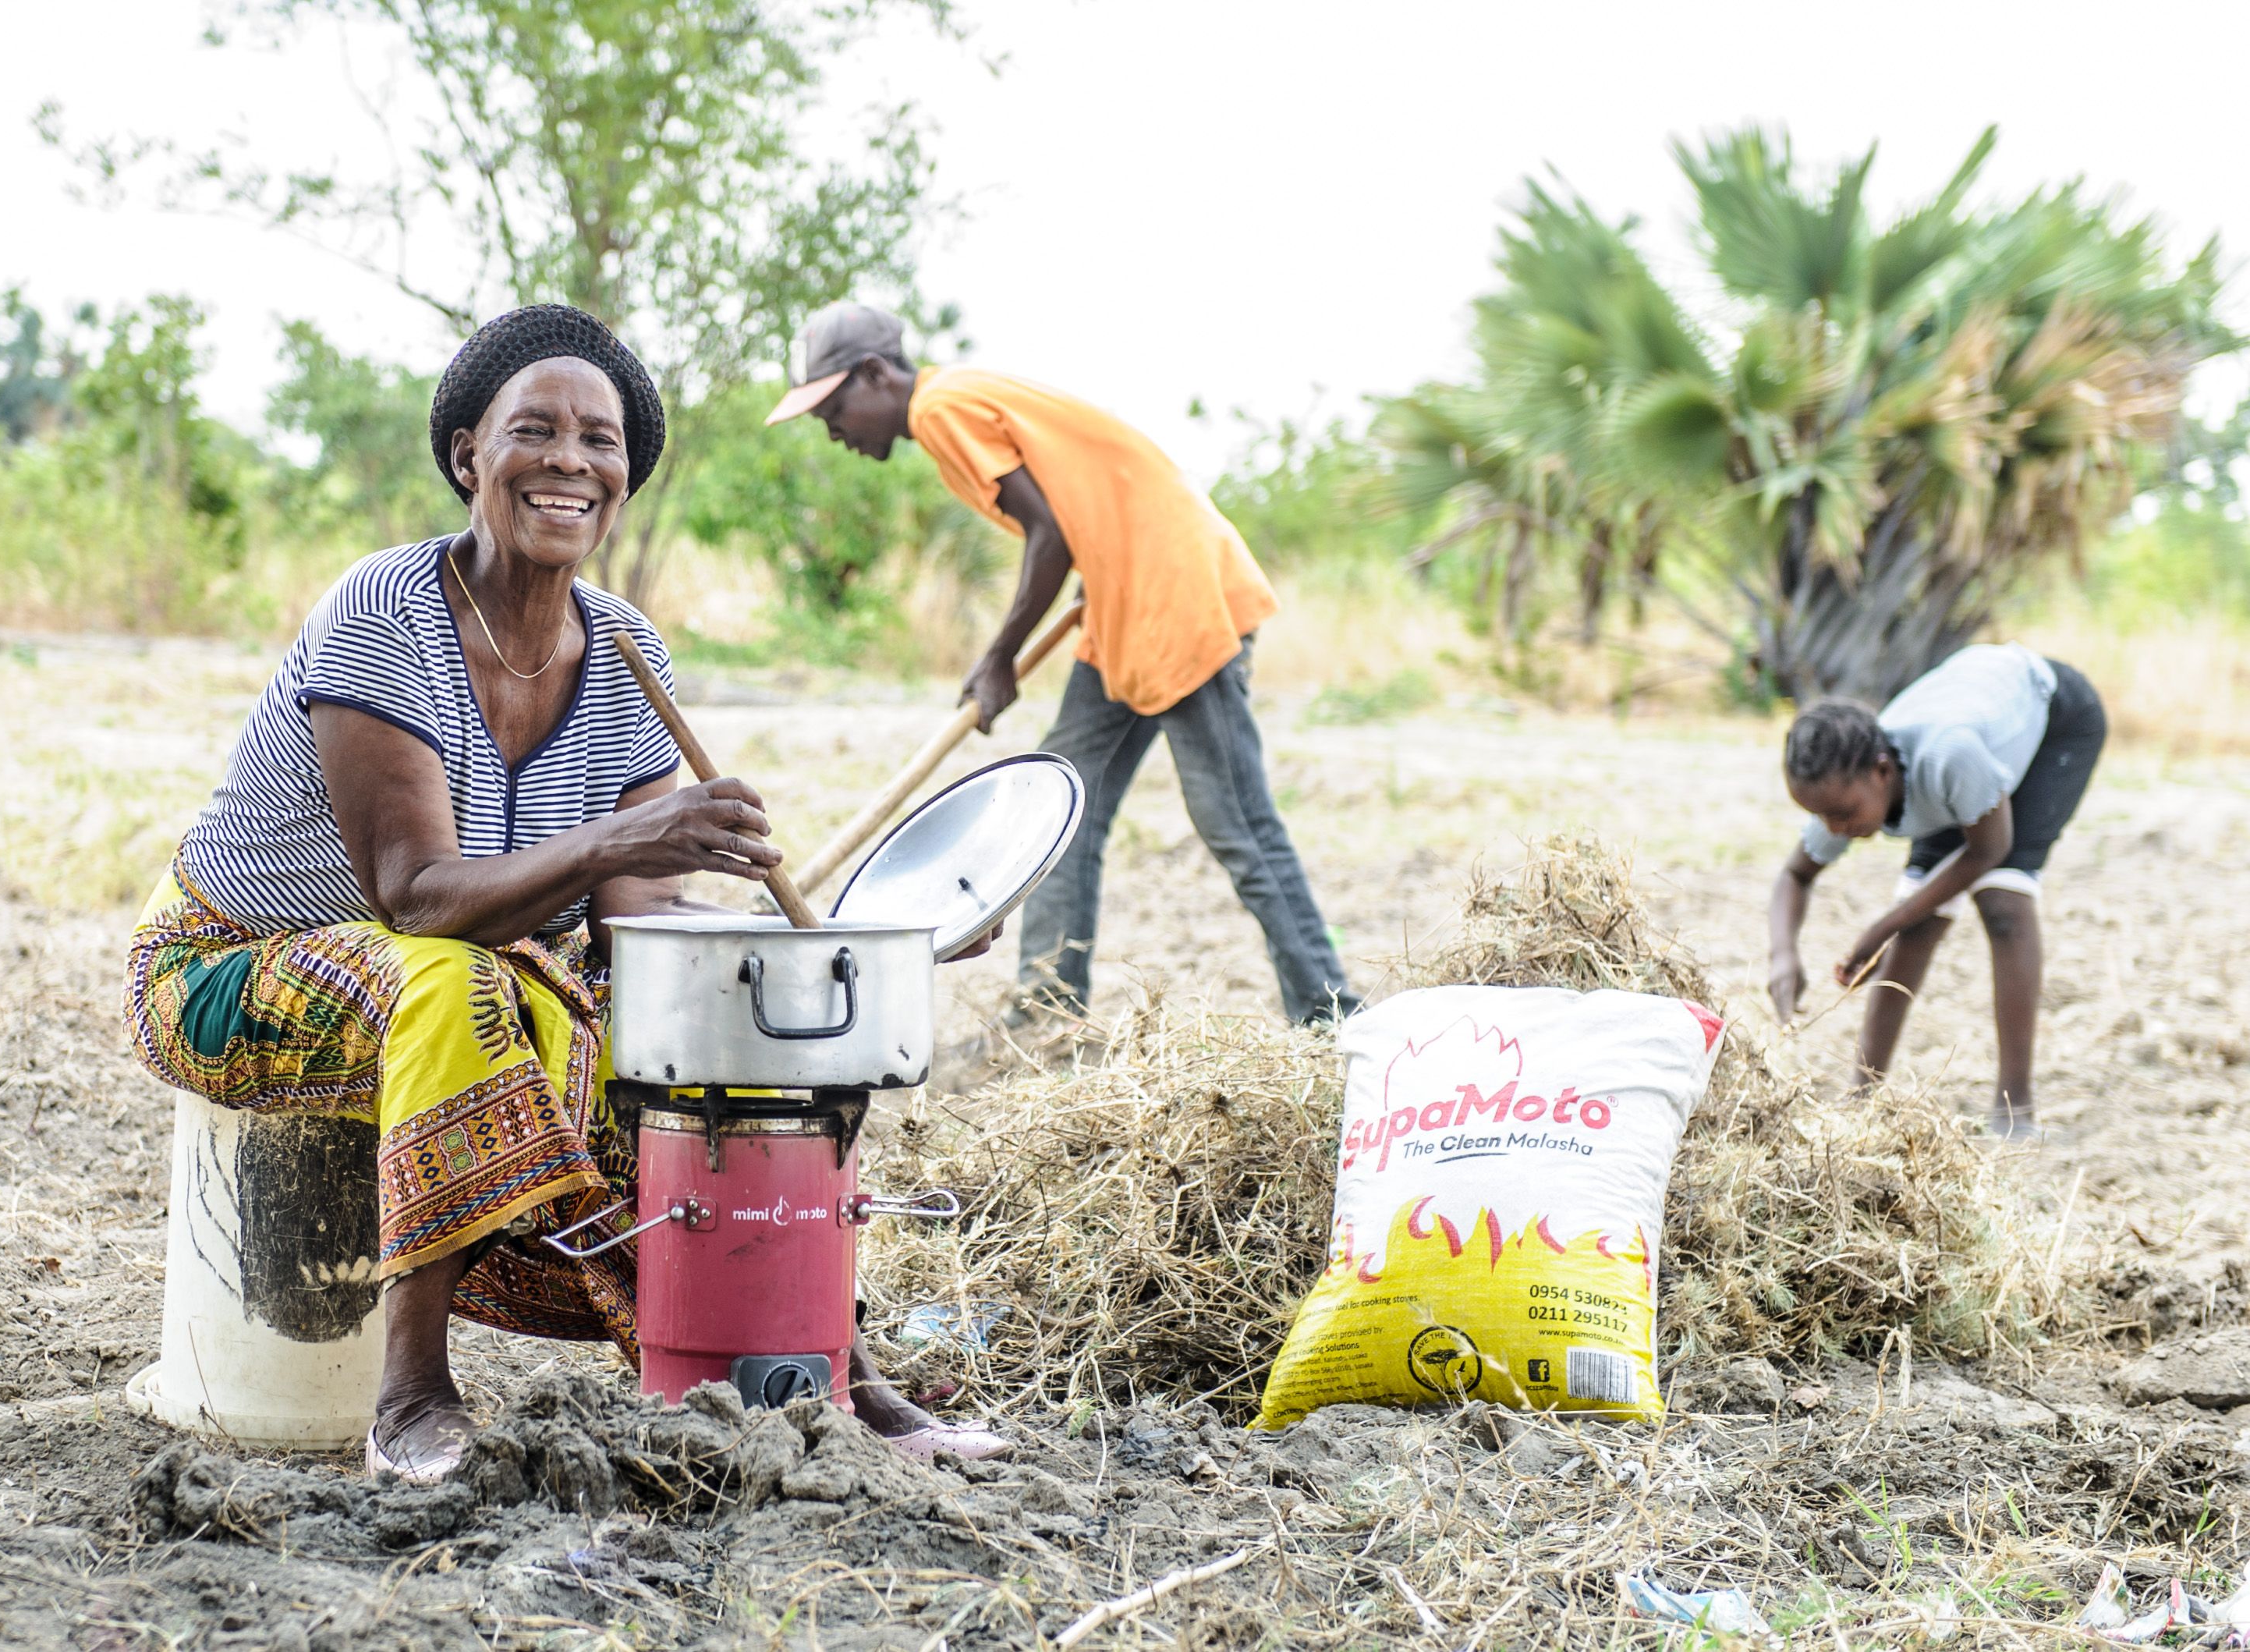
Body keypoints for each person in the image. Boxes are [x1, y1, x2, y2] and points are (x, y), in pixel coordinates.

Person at [126, 304, 1003, 1484]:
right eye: (532, 430)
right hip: (230, 966)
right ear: (466, 457)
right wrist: (617, 832)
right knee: (458, 980)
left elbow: (640, 929)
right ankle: (411, 1387)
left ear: (624, 478)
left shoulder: (629, 650)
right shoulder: (384, 613)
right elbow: (417, 899)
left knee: (682, 1038)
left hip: (470, 983)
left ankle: (817, 1360)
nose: (569, 460)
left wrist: (868, 938)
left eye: (600, 440)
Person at [765, 302, 1348, 1026]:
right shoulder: (956, 400)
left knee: (1237, 824)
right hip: (1120, 603)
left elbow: (1050, 534)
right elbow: (1080, 509)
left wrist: (998, 659)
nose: (831, 430)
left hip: (1172, 595)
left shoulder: (943, 407)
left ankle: (1331, 1017)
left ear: (878, 375)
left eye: (833, 407)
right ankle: (1048, 1014)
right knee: (1064, 807)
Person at [1767, 643, 2106, 1139]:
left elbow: (1990, 849)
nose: (1834, 829)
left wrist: (1881, 927)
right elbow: (1793, 876)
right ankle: (1861, 1102)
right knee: (1918, 921)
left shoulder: (1950, 756)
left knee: (2003, 904)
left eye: (1843, 815)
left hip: (2056, 721)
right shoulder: (1844, 785)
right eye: (1822, 818)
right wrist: (1782, 954)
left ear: (1882, 772)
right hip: (1963, 749)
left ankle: (2015, 1111)